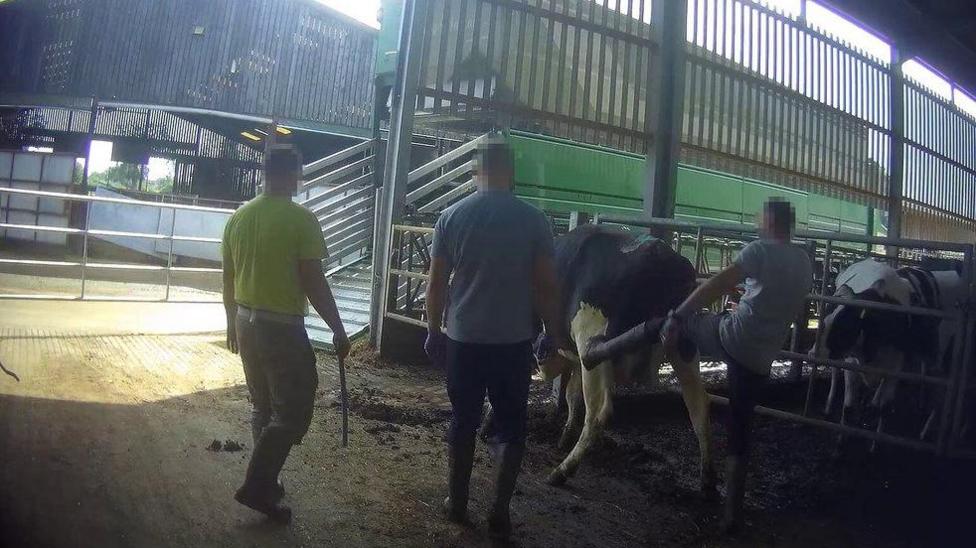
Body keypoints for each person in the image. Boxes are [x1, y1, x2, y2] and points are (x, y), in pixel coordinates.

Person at [424, 138, 566, 540]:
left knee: (464, 420)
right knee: (511, 427)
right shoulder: (535, 220)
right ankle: (499, 511)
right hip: (513, 341)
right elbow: (547, 286)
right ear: (511, 173)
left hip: (464, 339)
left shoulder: (451, 217)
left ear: (476, 172)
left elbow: (436, 283)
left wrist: (434, 330)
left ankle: (457, 502)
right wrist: (552, 333)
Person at [660, 198, 812, 532]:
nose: (758, 223)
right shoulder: (803, 261)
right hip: (762, 355)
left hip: (733, 337)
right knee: (741, 425)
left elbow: (715, 285)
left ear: (770, 221)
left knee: (682, 323)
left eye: (761, 218)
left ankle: (657, 347)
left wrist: (678, 315)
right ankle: (732, 513)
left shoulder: (758, 251)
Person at [222, 143, 351, 523]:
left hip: (246, 323)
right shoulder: (301, 219)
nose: (299, 179)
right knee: (292, 412)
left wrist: (231, 321)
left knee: (263, 406)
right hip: (281, 329)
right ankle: (258, 485)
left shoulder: (239, 217)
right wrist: (339, 329)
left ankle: (268, 483)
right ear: (291, 174)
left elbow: (228, 278)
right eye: (298, 172)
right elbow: (313, 279)